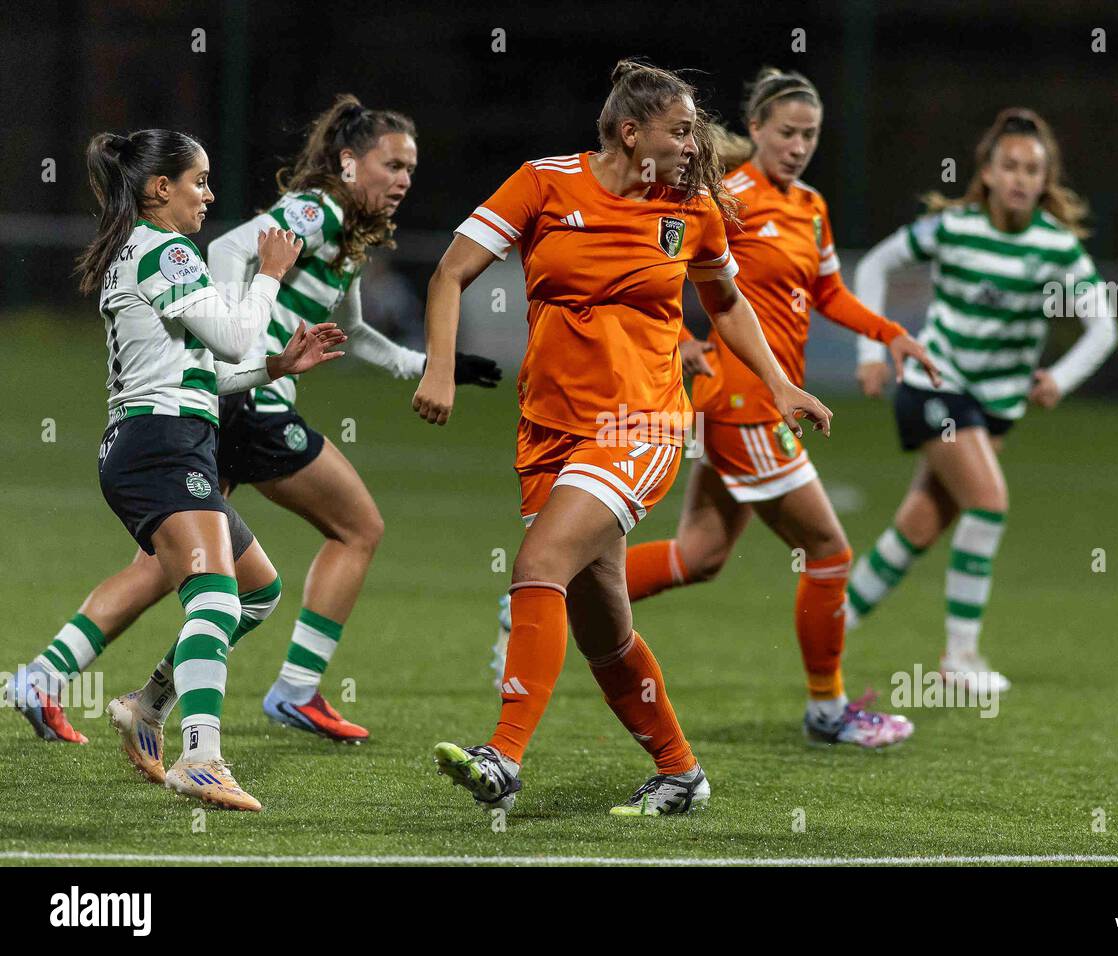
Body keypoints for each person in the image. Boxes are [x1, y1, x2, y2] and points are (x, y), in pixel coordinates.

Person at [6, 96, 501, 748]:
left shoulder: (346, 237)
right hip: (245, 403)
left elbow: (354, 334)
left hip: (227, 396)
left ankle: (58, 679)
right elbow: (235, 250)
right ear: (350, 163)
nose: (405, 178)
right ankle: (274, 700)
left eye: (412, 167)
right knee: (355, 527)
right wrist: (237, 333)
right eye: (393, 163)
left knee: (174, 567)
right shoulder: (313, 211)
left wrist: (438, 363)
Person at [413, 59, 831, 816]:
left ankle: (502, 755)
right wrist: (438, 369)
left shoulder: (690, 207)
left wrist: (778, 383)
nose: (694, 144)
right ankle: (681, 772)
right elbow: (449, 273)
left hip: (642, 422)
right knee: (601, 625)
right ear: (631, 132)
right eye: (679, 130)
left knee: (538, 562)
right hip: (547, 430)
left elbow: (726, 301)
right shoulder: (543, 183)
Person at [603, 67, 940, 748]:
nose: (798, 145)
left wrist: (891, 334)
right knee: (829, 551)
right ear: (754, 129)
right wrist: (686, 341)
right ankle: (828, 711)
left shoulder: (811, 206)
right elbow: (657, 269)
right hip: (743, 403)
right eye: (786, 131)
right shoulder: (728, 197)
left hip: (756, 402)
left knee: (700, 554)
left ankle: (554, 591)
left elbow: (829, 294)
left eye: (810, 134)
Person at [56, 127, 342, 810]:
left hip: (166, 439)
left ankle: (147, 705)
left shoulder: (146, 251)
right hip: (160, 445)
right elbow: (238, 330)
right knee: (213, 595)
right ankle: (202, 758)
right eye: (199, 181)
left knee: (255, 592)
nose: (209, 195)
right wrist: (271, 272)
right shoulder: (168, 251)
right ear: (160, 189)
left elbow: (207, 368)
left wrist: (275, 367)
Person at [847, 108, 1118, 693]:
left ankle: (831, 626)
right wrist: (870, 354)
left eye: (1033, 170)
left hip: (995, 406)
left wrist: (1061, 378)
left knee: (918, 525)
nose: (1021, 178)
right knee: (989, 502)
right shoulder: (953, 227)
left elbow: (1105, 326)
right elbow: (874, 265)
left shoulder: (1056, 247)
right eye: (1010, 166)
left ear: (1045, 181)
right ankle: (959, 659)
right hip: (934, 388)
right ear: (988, 173)